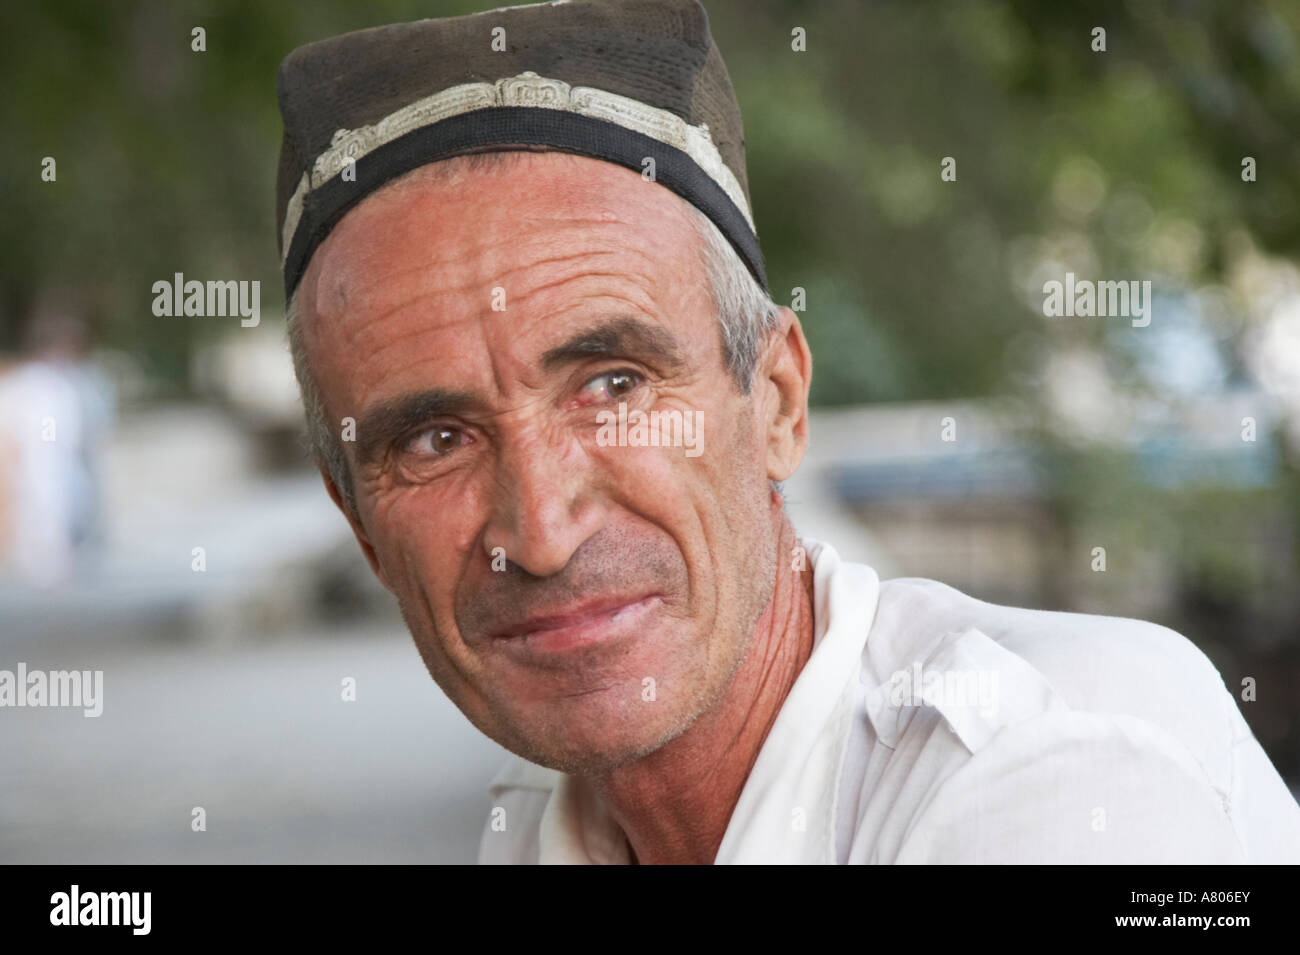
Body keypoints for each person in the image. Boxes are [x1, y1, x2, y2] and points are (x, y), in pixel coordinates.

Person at [272, 0, 1300, 863]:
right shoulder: (550, 822)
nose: (539, 530)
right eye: (432, 441)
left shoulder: (1058, 769)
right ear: (360, 524)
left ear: (774, 403)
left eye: (613, 384)